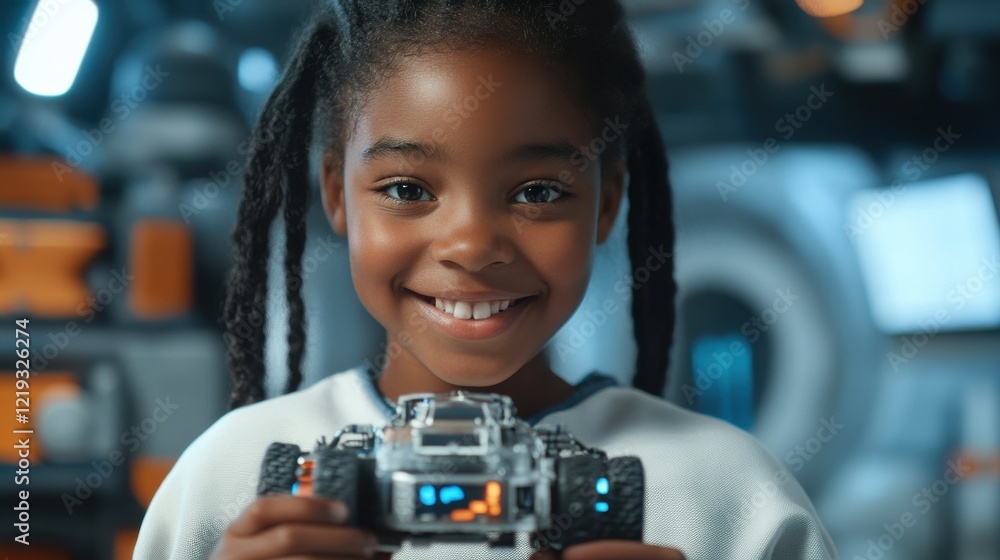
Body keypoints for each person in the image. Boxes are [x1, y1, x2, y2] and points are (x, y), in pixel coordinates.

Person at [133, 1, 838, 559]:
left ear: (608, 201)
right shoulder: (230, 481)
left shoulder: (728, 497)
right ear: (337, 195)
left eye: (537, 190)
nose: (471, 246)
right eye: (408, 189)